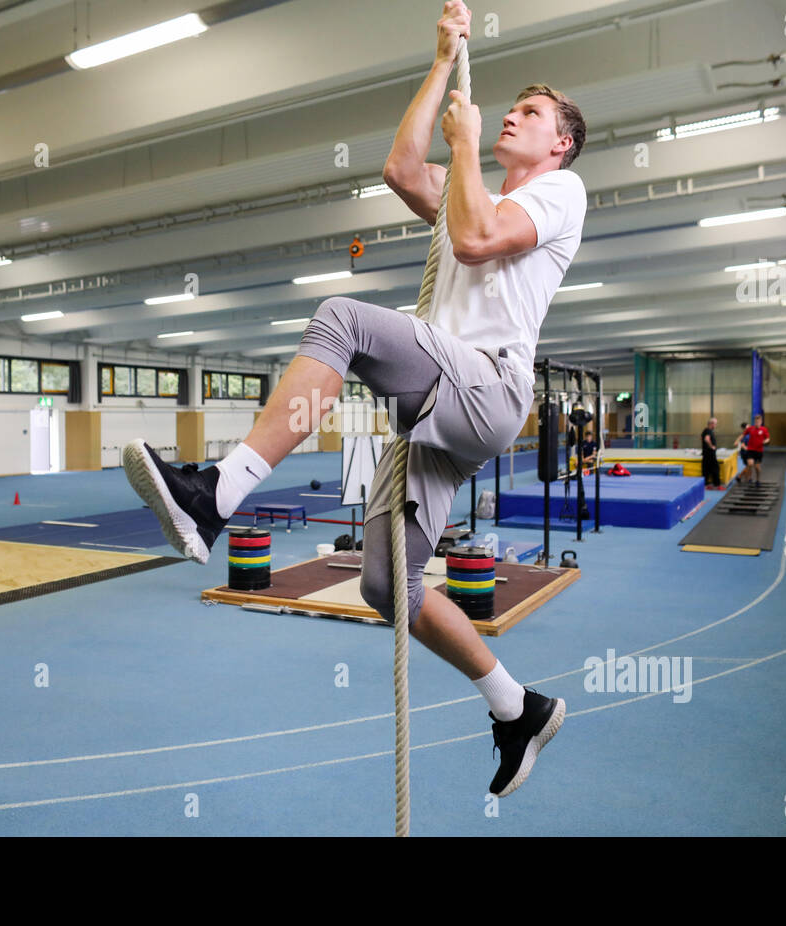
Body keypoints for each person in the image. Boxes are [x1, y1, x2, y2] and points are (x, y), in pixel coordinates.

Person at [121, 1, 584, 798]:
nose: (512, 114)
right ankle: (517, 706)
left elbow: (476, 237)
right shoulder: (467, 188)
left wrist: (469, 142)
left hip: (488, 386)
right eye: (509, 108)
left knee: (340, 318)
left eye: (531, 113)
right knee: (384, 586)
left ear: (561, 143)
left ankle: (216, 495)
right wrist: (442, 62)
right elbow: (403, 171)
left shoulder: (559, 194)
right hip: (445, 403)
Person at [734, 413, 771, 483]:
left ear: (761, 422)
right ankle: (748, 478)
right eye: (756, 422)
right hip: (750, 450)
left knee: (757, 467)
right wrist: (737, 441)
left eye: (758, 422)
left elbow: (768, 438)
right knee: (750, 464)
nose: (757, 423)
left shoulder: (764, 429)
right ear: (754, 422)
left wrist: (765, 441)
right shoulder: (750, 429)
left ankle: (758, 479)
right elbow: (742, 435)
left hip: (759, 451)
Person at [701, 416, 722, 490]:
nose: (715, 426)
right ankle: (717, 485)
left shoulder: (706, 430)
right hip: (710, 453)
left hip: (706, 453)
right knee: (715, 468)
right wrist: (712, 446)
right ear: (712, 424)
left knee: (706, 469)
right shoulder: (708, 431)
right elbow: (707, 439)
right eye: (715, 424)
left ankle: (706, 484)